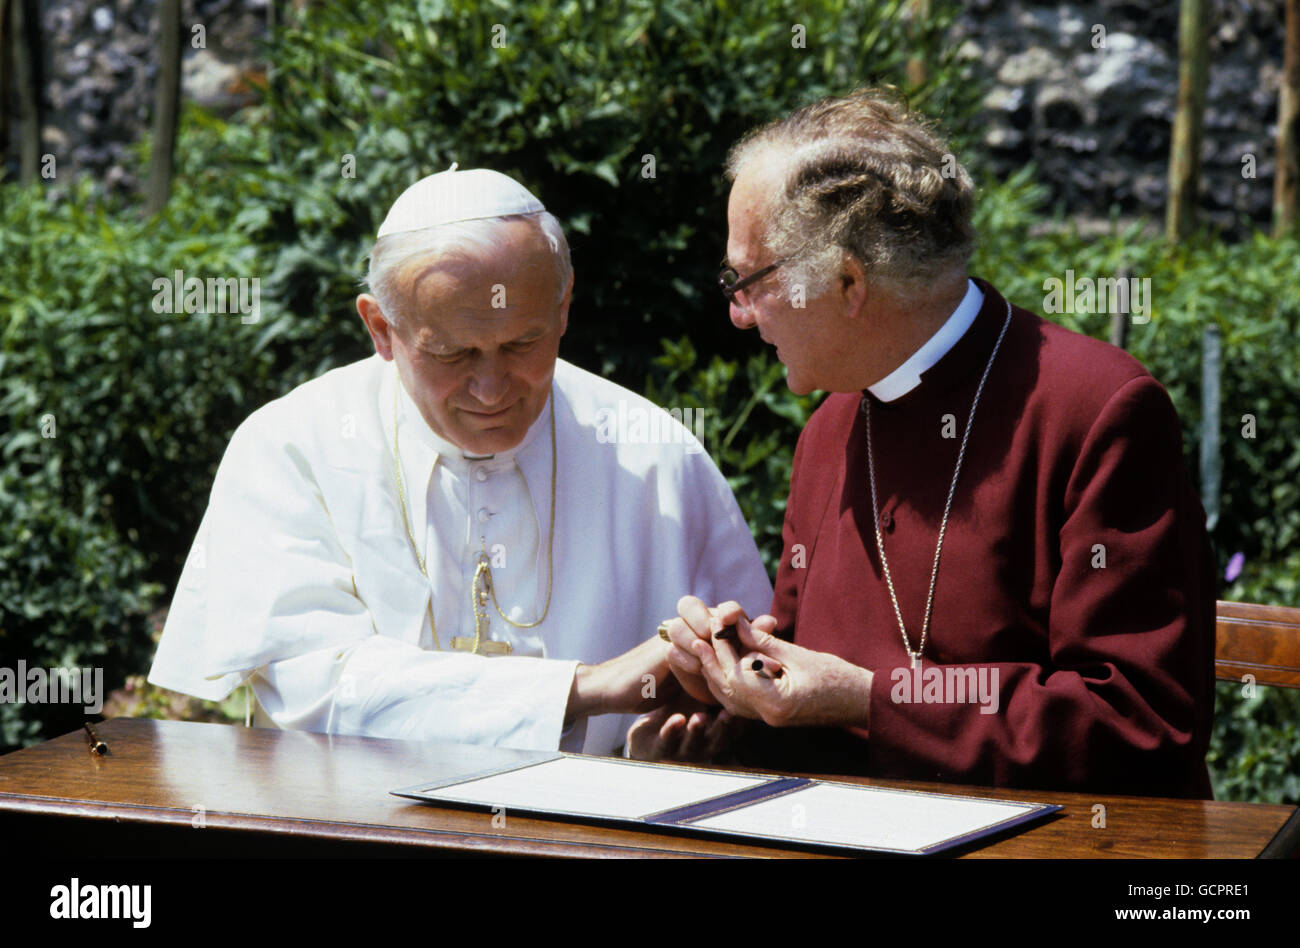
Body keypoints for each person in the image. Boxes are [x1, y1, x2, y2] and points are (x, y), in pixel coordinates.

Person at [650, 89, 1216, 798]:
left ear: (846, 281)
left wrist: (871, 698)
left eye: (749, 281)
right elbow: (809, 701)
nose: (737, 313)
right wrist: (729, 703)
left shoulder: (1096, 409)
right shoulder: (829, 430)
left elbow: (1139, 721)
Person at [149, 167, 773, 755]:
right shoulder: (291, 447)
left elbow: (752, 678)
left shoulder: (654, 452)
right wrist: (587, 689)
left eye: (522, 342)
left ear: (563, 305)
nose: (492, 388)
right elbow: (312, 695)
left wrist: (689, 736)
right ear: (381, 329)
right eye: (452, 353)